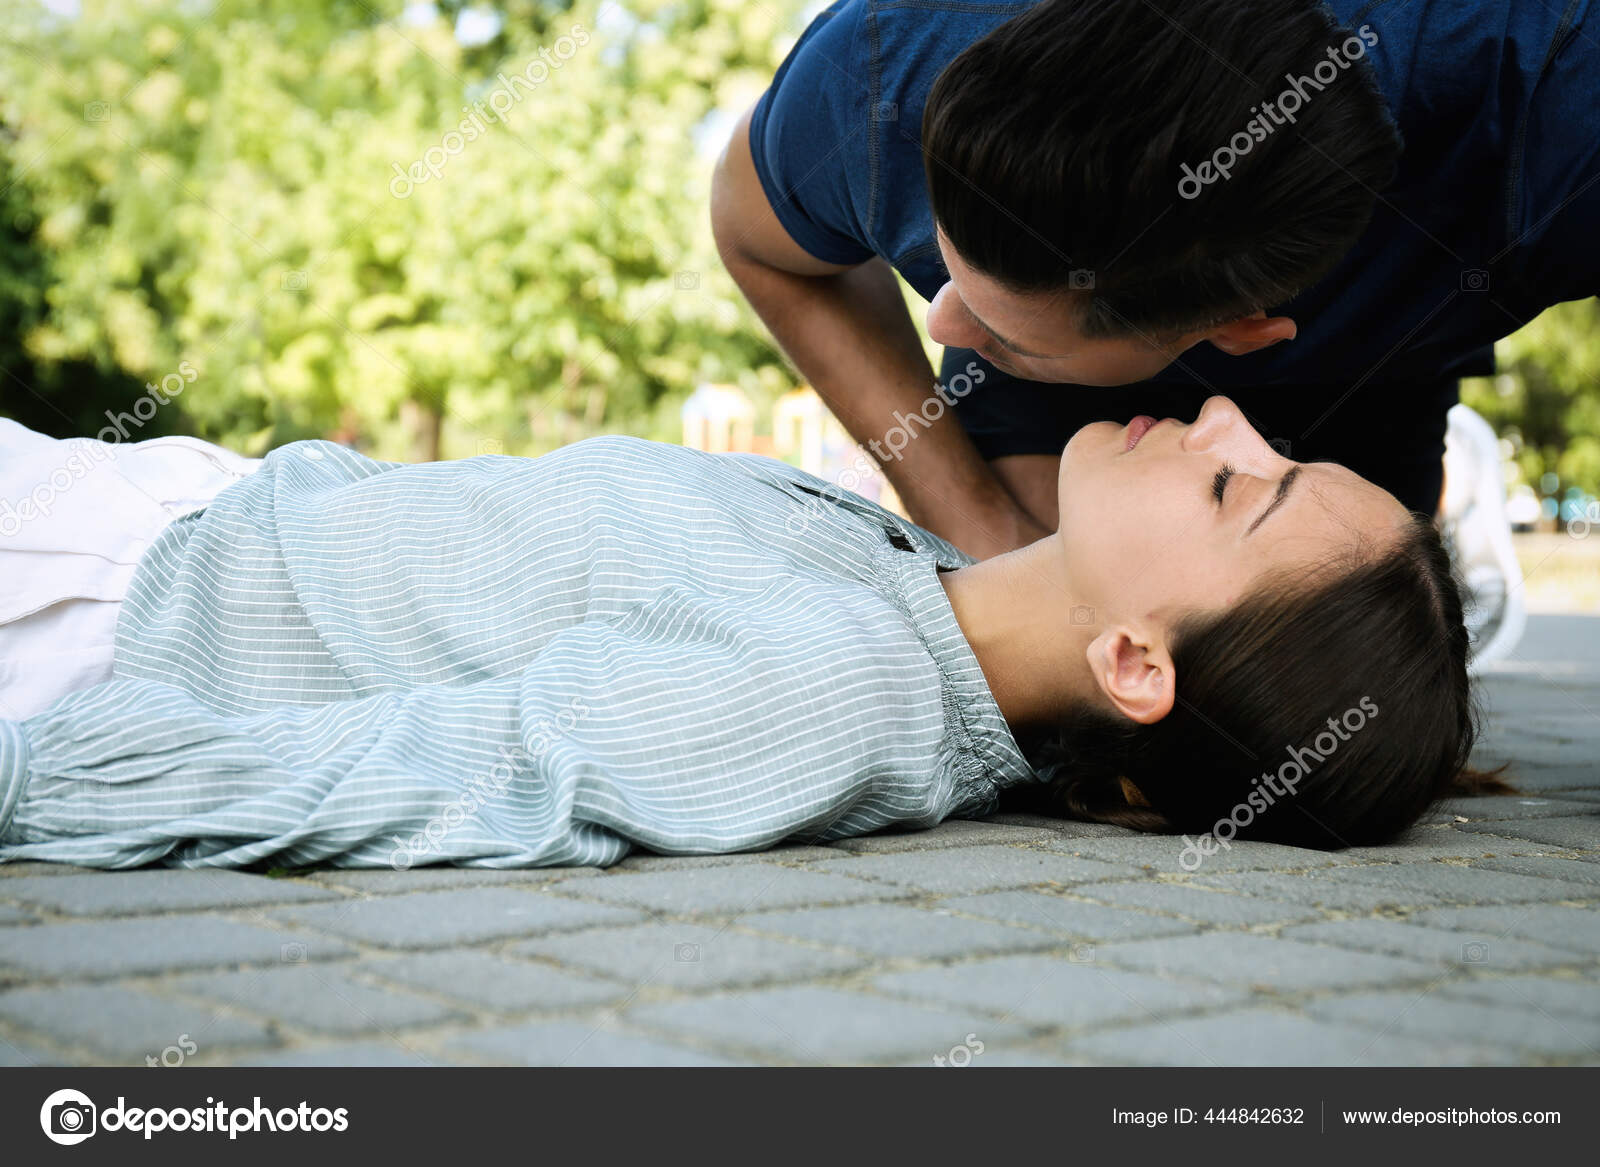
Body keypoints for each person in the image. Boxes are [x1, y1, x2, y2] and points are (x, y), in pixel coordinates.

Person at [0, 397, 1504, 870]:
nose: (1220, 419)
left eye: (1242, 482)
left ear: (1135, 662)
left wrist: (35, 779)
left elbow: (458, 770)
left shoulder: (840, 689)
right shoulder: (925, 590)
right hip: (170, 515)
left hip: (88, 611)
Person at [711, 0, 1599, 576]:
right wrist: (981, 531)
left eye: (1007, 333)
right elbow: (756, 239)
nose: (941, 321)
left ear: (1241, 327)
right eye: (947, 260)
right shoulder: (880, 74)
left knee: (1306, 661)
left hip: (1393, 333)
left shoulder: (1557, 99)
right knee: (1071, 607)